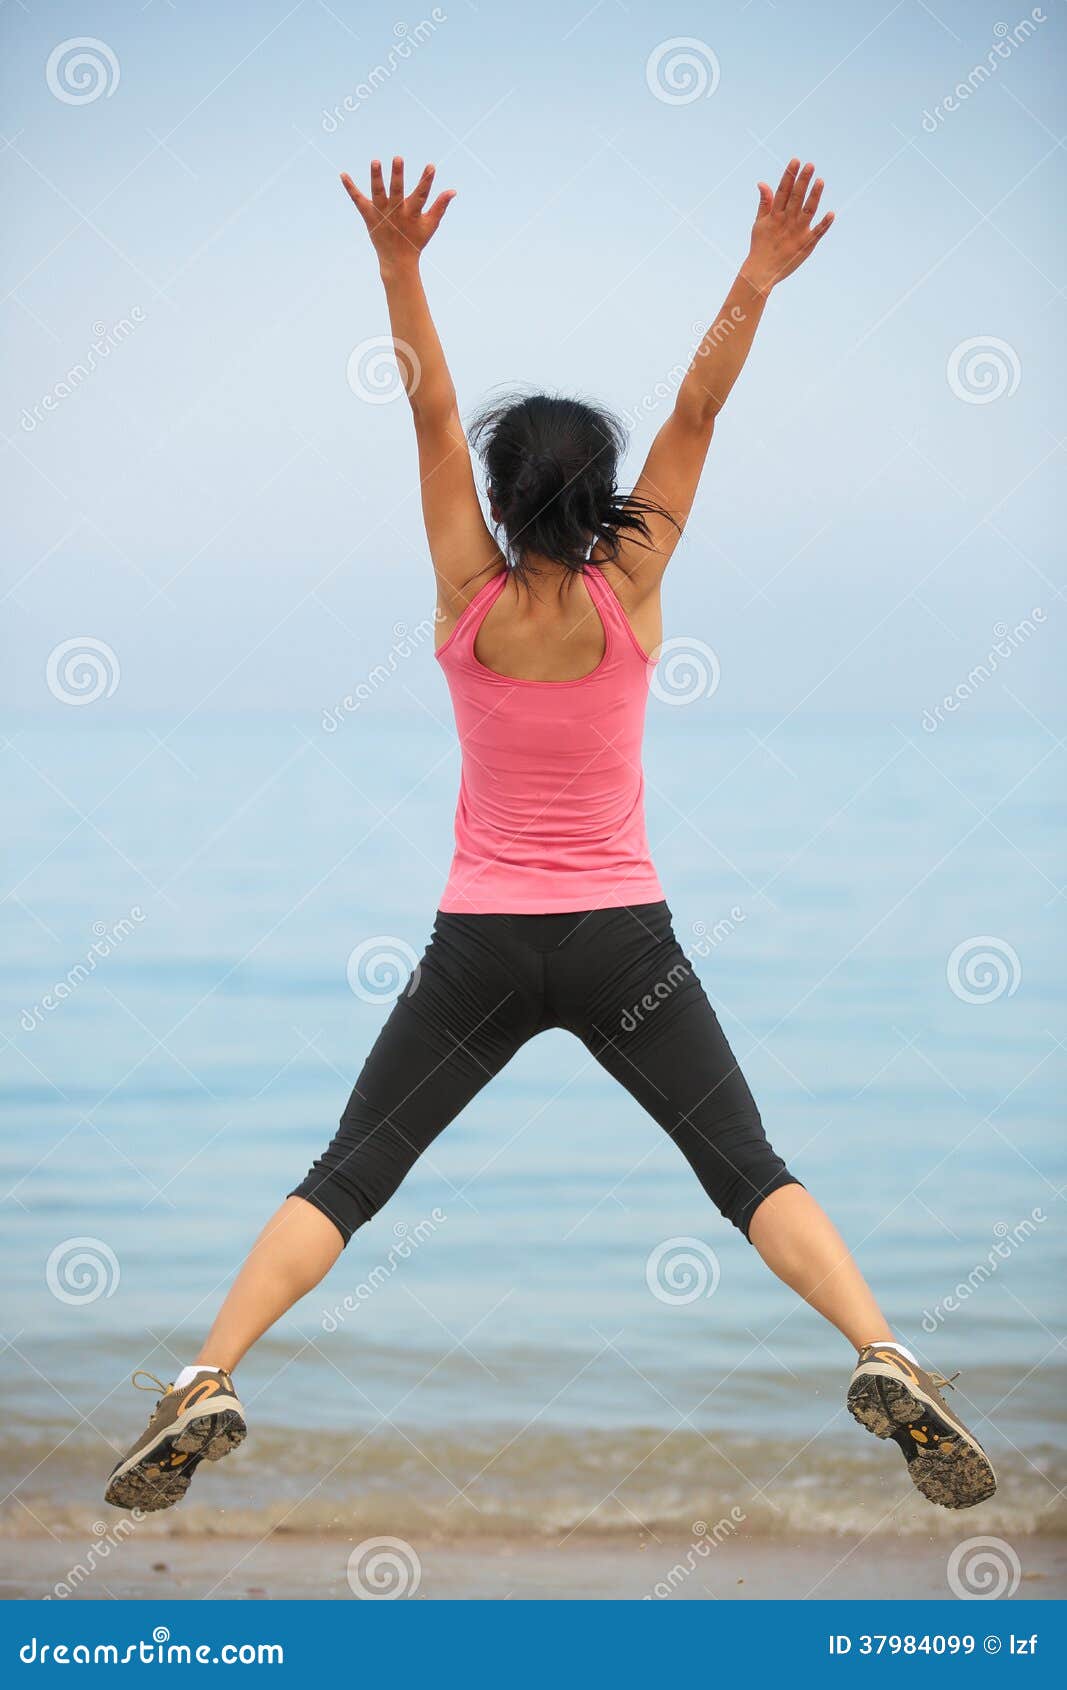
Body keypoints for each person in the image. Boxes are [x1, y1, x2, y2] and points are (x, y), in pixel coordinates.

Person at [105, 157, 996, 1518]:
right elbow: (702, 404)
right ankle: (884, 1350)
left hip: (479, 944)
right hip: (624, 940)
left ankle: (208, 1373)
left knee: (349, 1175)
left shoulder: (470, 591)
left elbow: (431, 410)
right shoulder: (632, 587)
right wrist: (755, 275)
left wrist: (399, 263)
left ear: (506, 499)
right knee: (748, 1168)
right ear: (601, 502)